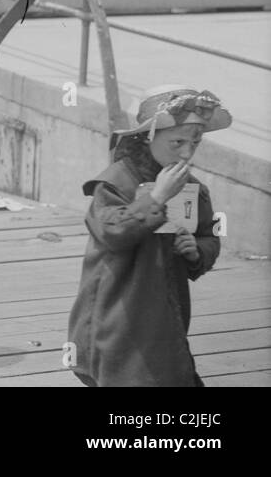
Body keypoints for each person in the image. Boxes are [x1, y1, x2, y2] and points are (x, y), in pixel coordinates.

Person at [67, 87, 228, 387]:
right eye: (177, 142)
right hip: (116, 314)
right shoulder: (115, 183)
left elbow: (210, 234)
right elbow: (110, 232)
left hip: (165, 317)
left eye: (195, 142)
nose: (187, 152)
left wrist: (197, 251)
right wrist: (157, 197)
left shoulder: (191, 188)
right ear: (148, 136)